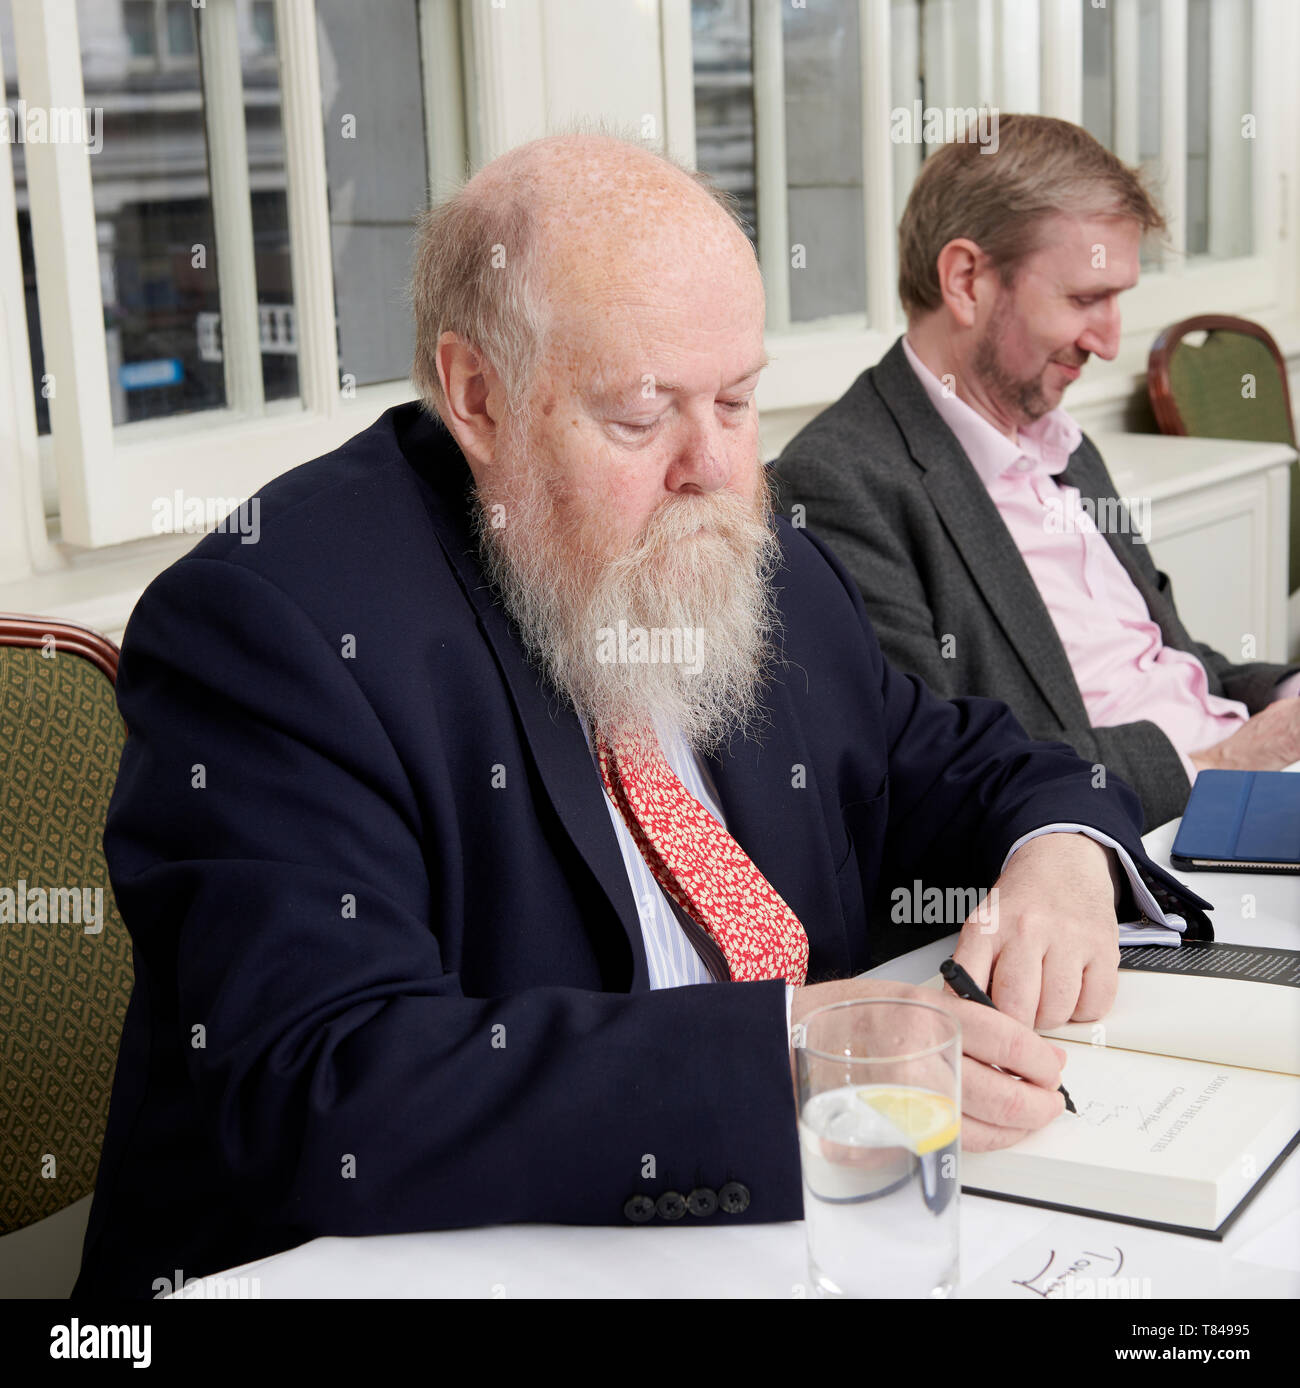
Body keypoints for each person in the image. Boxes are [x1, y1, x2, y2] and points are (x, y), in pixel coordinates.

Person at [73, 131, 1210, 1299]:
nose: (714, 468)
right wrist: (781, 1054)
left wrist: (1061, 853)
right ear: (477, 395)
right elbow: (327, 1081)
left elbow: (963, 759)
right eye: (639, 414)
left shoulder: (757, 557)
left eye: (736, 398)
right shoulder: (275, 624)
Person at [773, 114, 1300, 832]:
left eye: (1119, 298)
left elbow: (1166, 661)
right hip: (1118, 847)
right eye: (1085, 299)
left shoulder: (1060, 441)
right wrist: (1226, 765)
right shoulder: (841, 483)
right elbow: (938, 778)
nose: (1111, 342)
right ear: (966, 281)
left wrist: (1283, 697)